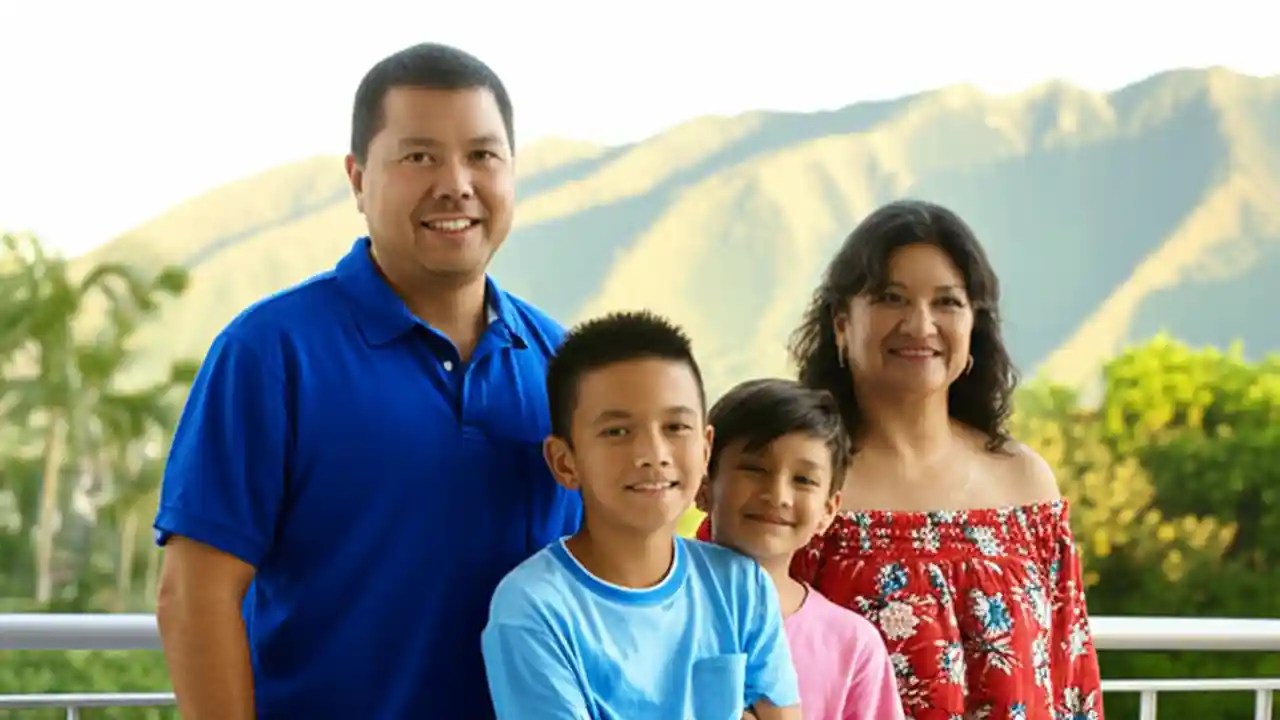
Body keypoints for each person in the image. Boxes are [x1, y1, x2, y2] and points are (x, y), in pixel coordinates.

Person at [152, 43, 582, 719]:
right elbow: (194, 596)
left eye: (482, 155)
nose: (456, 183)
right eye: (420, 157)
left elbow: (618, 574)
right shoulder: (270, 352)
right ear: (357, 179)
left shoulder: (565, 365)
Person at [779, 199, 1106, 719]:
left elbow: (1072, 686)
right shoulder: (792, 485)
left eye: (947, 302)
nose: (920, 324)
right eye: (891, 298)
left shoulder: (1026, 482)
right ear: (841, 323)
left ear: (975, 325)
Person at [480, 310, 802, 720]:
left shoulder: (740, 586)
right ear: (564, 462)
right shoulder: (534, 608)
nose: (653, 454)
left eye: (675, 427)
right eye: (617, 431)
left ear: (705, 448)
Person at [696, 378, 905, 720]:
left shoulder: (852, 645)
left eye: (804, 480)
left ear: (828, 510)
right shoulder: (652, 601)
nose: (778, 496)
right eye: (754, 469)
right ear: (704, 485)